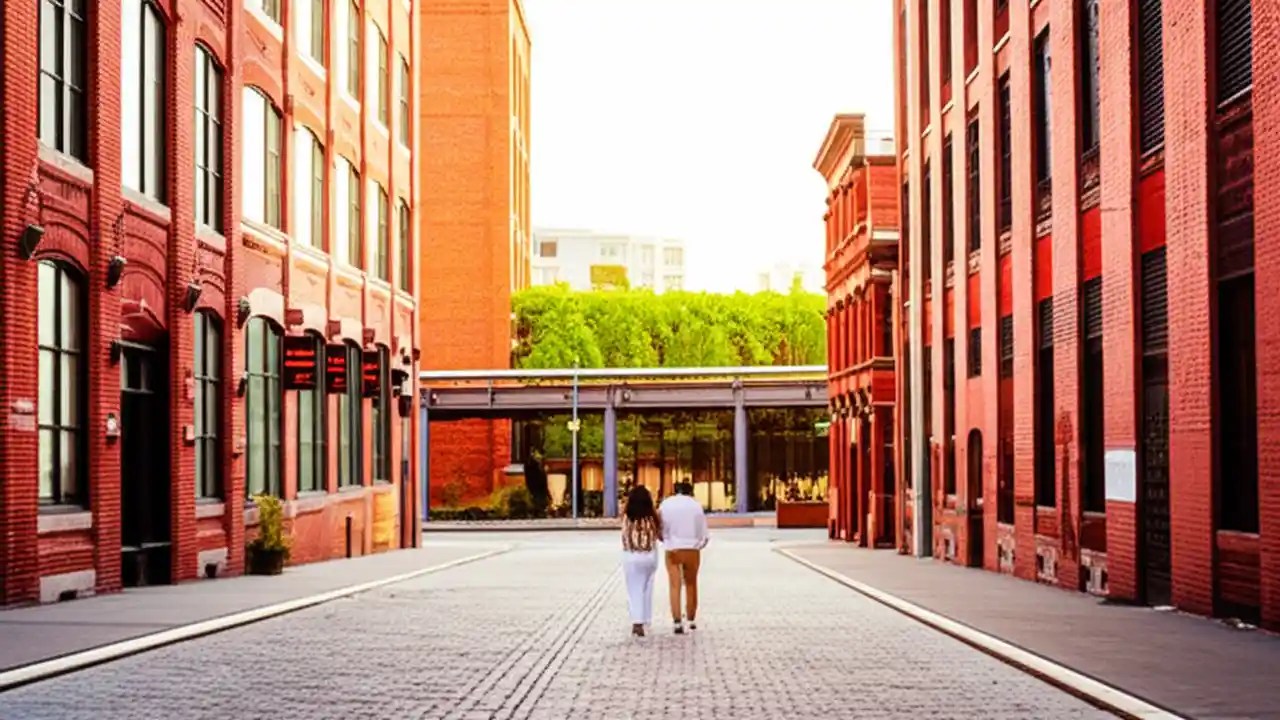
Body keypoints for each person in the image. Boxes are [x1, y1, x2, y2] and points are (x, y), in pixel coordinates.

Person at [657, 482, 708, 634]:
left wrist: (665, 539)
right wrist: (699, 543)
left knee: (674, 584)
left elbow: (660, 527)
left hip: (673, 547)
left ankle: (677, 621)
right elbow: (703, 532)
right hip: (692, 548)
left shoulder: (666, 504)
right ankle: (691, 618)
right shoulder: (696, 505)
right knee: (691, 583)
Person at [620, 485, 661, 637]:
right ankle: (646, 618)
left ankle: (637, 621)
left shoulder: (626, 517)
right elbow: (658, 534)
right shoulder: (652, 517)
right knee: (647, 587)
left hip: (631, 555)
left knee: (634, 588)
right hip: (649, 556)